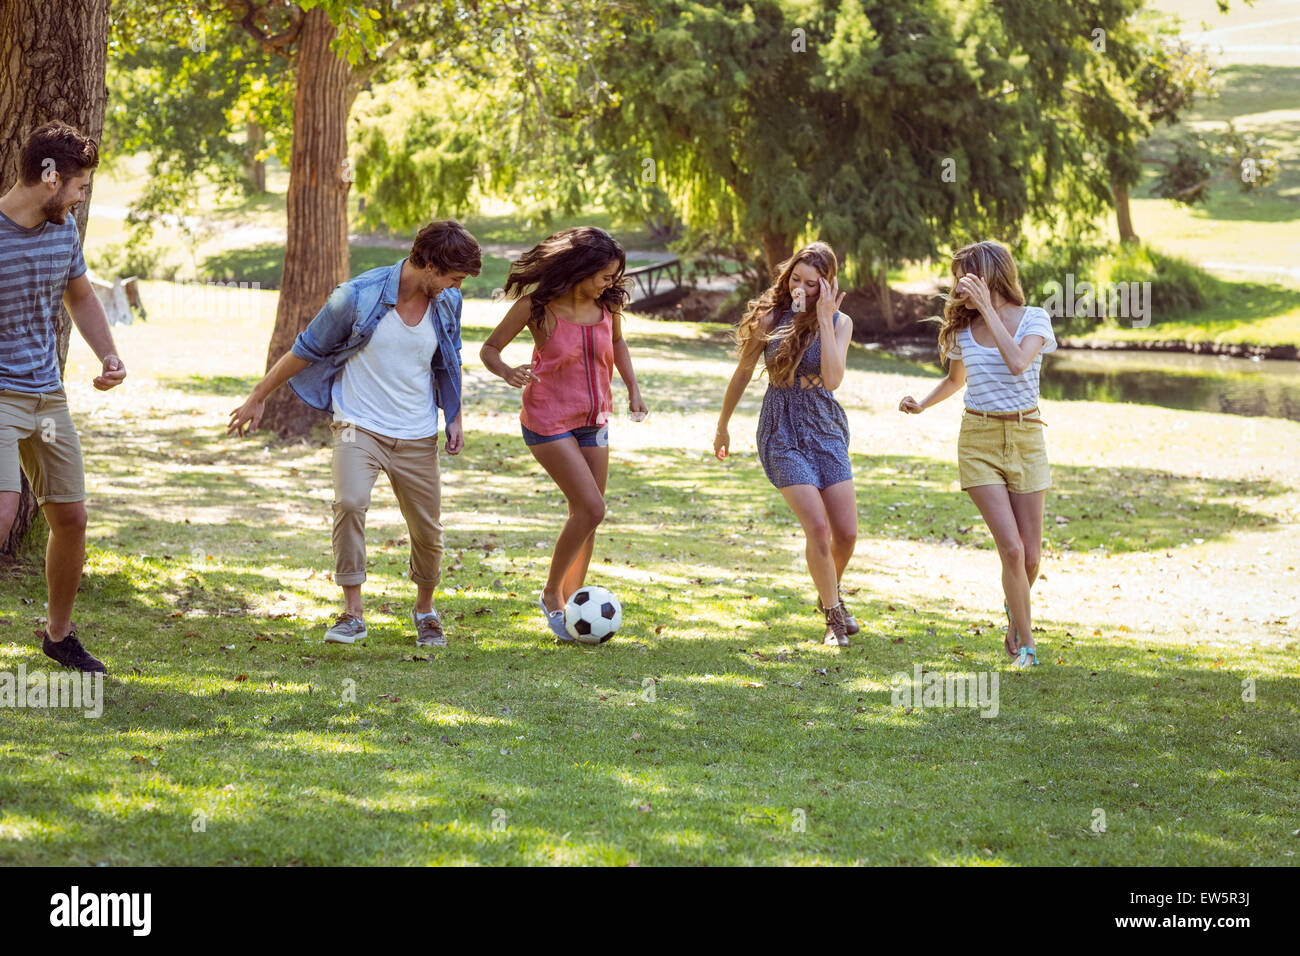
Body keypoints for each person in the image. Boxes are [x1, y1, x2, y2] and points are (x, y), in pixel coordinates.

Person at [228, 220, 481, 648]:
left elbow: (449, 358)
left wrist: (453, 415)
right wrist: (258, 395)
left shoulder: (447, 301)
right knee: (349, 501)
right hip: (357, 424)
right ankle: (353, 613)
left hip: (417, 432)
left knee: (427, 528)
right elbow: (305, 348)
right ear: (430, 265)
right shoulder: (357, 296)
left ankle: (425, 610)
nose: (457, 287)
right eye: (454, 277)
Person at [479, 227, 647, 641]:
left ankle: (573, 608)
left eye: (613, 276)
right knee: (591, 508)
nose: (610, 283)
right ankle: (552, 593)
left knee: (586, 517)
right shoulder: (537, 307)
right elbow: (489, 349)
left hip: (595, 419)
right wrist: (507, 372)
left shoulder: (608, 305)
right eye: (604, 275)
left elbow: (618, 344)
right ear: (580, 269)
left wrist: (633, 388)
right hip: (548, 420)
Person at [0, 121, 125, 674]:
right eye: (78, 187)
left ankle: (58, 636)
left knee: (71, 516)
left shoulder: (63, 229)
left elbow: (80, 295)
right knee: (3, 512)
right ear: (50, 178)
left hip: (46, 396)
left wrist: (109, 355)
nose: (80, 198)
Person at [898, 239, 1057, 668]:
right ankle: (1027, 645)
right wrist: (922, 404)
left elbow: (1018, 363)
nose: (957, 288)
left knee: (1032, 555)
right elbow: (955, 380)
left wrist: (988, 310)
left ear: (990, 277)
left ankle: (1013, 610)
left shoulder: (1035, 319)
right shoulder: (962, 330)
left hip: (1027, 438)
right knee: (1011, 550)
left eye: (964, 278)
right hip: (979, 439)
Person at [714, 242, 858, 647]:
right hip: (781, 427)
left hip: (825, 426)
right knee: (818, 526)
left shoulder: (841, 322)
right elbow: (744, 371)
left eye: (812, 284)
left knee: (846, 534)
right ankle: (833, 618)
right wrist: (723, 425)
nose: (801, 289)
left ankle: (828, 591)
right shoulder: (772, 316)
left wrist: (824, 318)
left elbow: (833, 379)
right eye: (796, 279)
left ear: (827, 285)